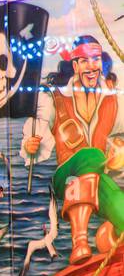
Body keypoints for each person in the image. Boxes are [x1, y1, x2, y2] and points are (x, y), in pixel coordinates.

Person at [22, 35, 124, 263]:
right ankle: (79, 241)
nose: (92, 66)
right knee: (91, 155)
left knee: (120, 206)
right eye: (85, 61)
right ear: (75, 65)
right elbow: (37, 128)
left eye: (96, 60)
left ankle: (107, 241)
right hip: (65, 175)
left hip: (97, 177)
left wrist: (120, 149)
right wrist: (31, 145)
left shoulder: (112, 98)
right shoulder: (55, 96)